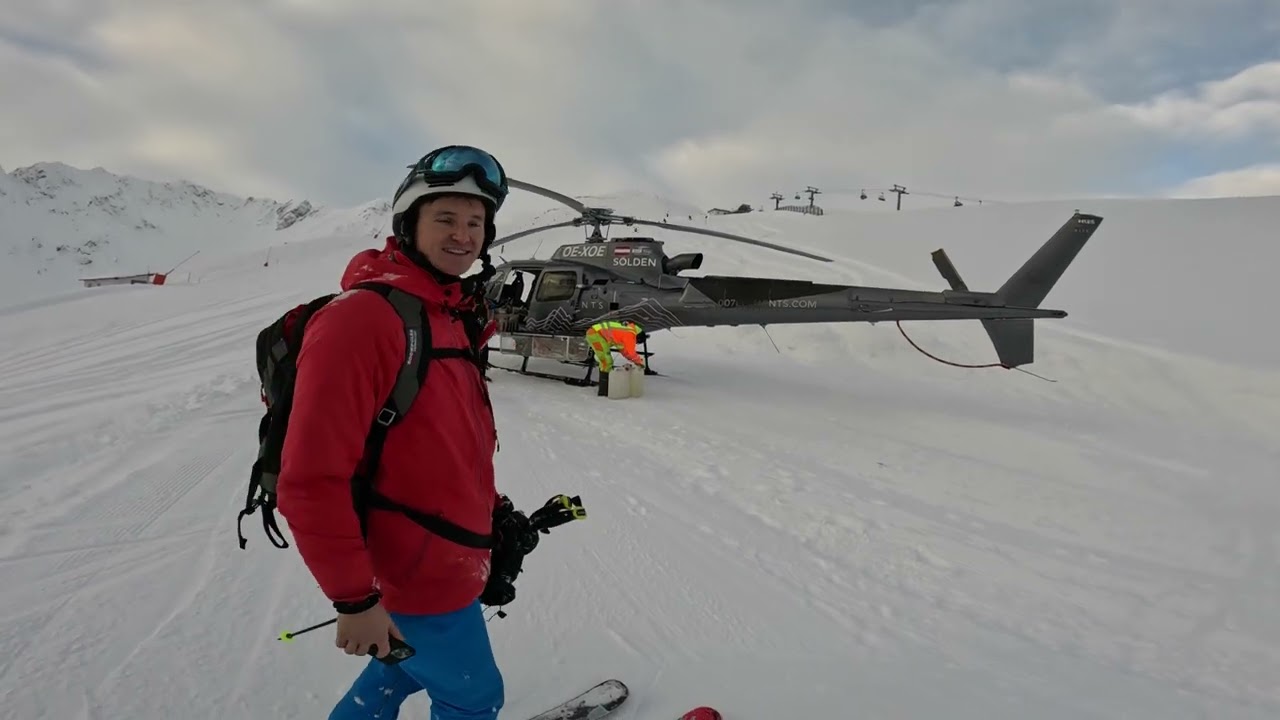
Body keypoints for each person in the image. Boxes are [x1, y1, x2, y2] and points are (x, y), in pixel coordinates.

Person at [276, 145, 516, 720]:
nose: (463, 235)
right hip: (415, 575)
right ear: (409, 223)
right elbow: (310, 477)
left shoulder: (449, 315)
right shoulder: (364, 319)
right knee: (473, 696)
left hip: (446, 554)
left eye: (475, 222)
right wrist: (354, 599)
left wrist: (491, 514)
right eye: (446, 218)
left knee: (397, 673)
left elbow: (443, 447)